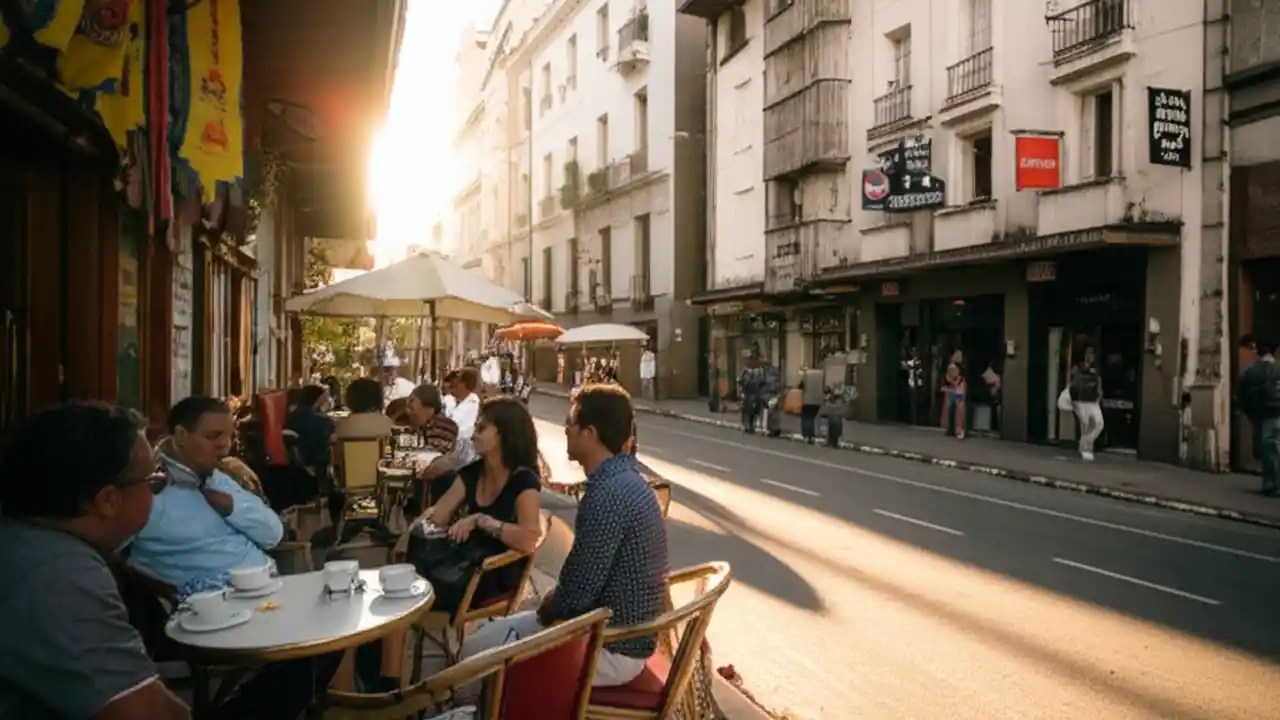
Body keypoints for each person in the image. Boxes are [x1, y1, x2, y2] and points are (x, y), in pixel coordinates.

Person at [462, 385, 667, 687]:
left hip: (607, 648)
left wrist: (546, 609)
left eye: (570, 424)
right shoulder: (625, 481)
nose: (565, 430)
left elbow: (575, 596)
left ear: (590, 433)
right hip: (608, 635)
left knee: (474, 660)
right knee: (486, 640)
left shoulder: (608, 495)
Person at [0, 403, 191, 720]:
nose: (156, 492)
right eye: (153, 481)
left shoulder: (29, 541)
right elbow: (147, 714)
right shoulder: (61, 574)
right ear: (108, 500)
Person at [359, 397, 543, 692]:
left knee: (397, 598)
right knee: (391, 590)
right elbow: (439, 515)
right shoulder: (473, 473)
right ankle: (385, 686)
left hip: (489, 576)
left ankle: (386, 690)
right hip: (457, 567)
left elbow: (530, 538)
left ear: (504, 434)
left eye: (482, 428)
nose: (474, 433)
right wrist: (423, 524)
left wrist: (482, 521)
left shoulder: (523, 481)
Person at [126, 397, 284, 595]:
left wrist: (232, 507)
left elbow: (273, 534)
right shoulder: (148, 490)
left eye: (229, 436)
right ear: (181, 435)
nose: (225, 445)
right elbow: (111, 553)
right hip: (211, 606)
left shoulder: (218, 478)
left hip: (265, 585)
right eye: (213, 436)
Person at [1239, 337, 1280, 496]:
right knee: (1274, 448)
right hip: (1276, 412)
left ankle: (1270, 484)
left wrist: (1248, 412)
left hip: (1261, 414)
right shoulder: (1277, 368)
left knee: (1267, 450)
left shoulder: (1251, 370)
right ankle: (1272, 484)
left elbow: (1243, 392)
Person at [286, 383, 336, 478]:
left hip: (298, 464)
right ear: (318, 400)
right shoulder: (323, 422)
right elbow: (332, 438)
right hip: (316, 463)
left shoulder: (292, 416)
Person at [1069, 346, 1105, 462]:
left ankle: (1085, 444)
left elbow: (1098, 380)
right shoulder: (1079, 367)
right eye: (1088, 353)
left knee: (1099, 424)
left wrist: (1099, 393)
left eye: (1092, 354)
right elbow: (1073, 380)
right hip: (1081, 401)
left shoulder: (1096, 369)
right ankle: (1086, 450)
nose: (1090, 356)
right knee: (1086, 425)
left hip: (1093, 401)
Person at [447, 366, 482, 463]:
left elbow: (463, 433)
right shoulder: (449, 400)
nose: (453, 383)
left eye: (457, 380)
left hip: (464, 458)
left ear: (465, 384)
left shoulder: (473, 404)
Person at [941, 349, 967, 440]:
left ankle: (956, 431)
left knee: (956, 411)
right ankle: (954, 430)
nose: (959, 357)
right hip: (955, 389)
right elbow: (948, 377)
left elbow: (949, 378)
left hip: (956, 389)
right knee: (954, 411)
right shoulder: (955, 366)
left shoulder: (959, 367)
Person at [799, 365, 825, 444]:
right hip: (817, 400)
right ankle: (811, 436)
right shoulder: (822, 374)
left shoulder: (805, 375)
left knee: (806, 418)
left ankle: (806, 435)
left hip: (807, 399)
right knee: (812, 418)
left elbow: (800, 386)